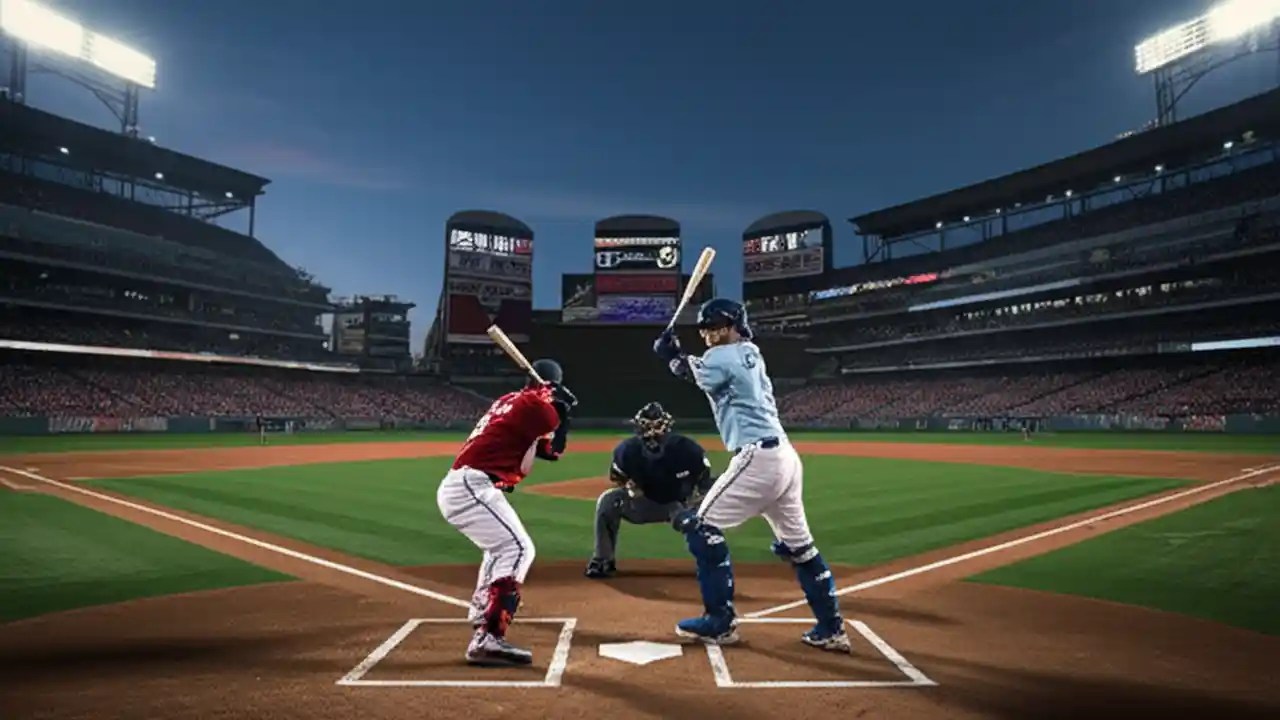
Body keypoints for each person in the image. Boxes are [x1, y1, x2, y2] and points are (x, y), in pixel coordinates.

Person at [652, 298, 850, 653]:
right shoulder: (750, 352)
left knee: (701, 528)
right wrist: (680, 355)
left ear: (733, 326)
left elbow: (692, 374)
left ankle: (720, 622)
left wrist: (671, 356)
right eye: (706, 329)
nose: (710, 334)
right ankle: (831, 627)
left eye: (716, 327)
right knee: (800, 548)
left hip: (756, 456)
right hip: (786, 458)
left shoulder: (721, 356)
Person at [435, 359, 576, 667]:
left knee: (499, 550)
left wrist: (558, 413)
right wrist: (561, 410)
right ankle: (488, 636)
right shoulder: (532, 405)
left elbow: (547, 453)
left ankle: (481, 612)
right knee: (518, 548)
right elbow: (552, 431)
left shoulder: (511, 401)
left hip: (466, 485)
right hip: (472, 485)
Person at [585, 401, 713, 579]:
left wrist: (698, 500)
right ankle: (602, 560)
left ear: (666, 426)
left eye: (657, 426)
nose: (652, 433)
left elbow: (705, 479)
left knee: (709, 506)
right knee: (609, 500)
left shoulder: (687, 449)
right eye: (647, 426)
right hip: (644, 503)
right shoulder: (627, 451)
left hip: (681, 506)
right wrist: (629, 486)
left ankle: (710, 562)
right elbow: (618, 477)